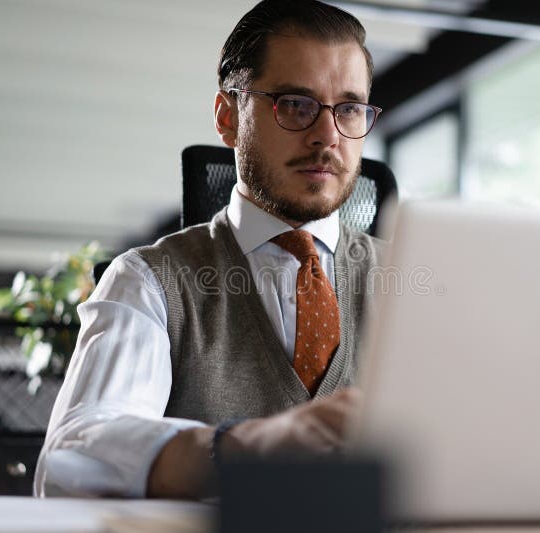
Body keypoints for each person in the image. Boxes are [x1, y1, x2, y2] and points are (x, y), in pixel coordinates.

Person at [34, 0, 386, 499]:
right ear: (227, 118)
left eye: (348, 108)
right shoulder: (149, 281)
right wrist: (245, 448)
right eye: (295, 104)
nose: (327, 136)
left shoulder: (419, 279)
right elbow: (70, 458)